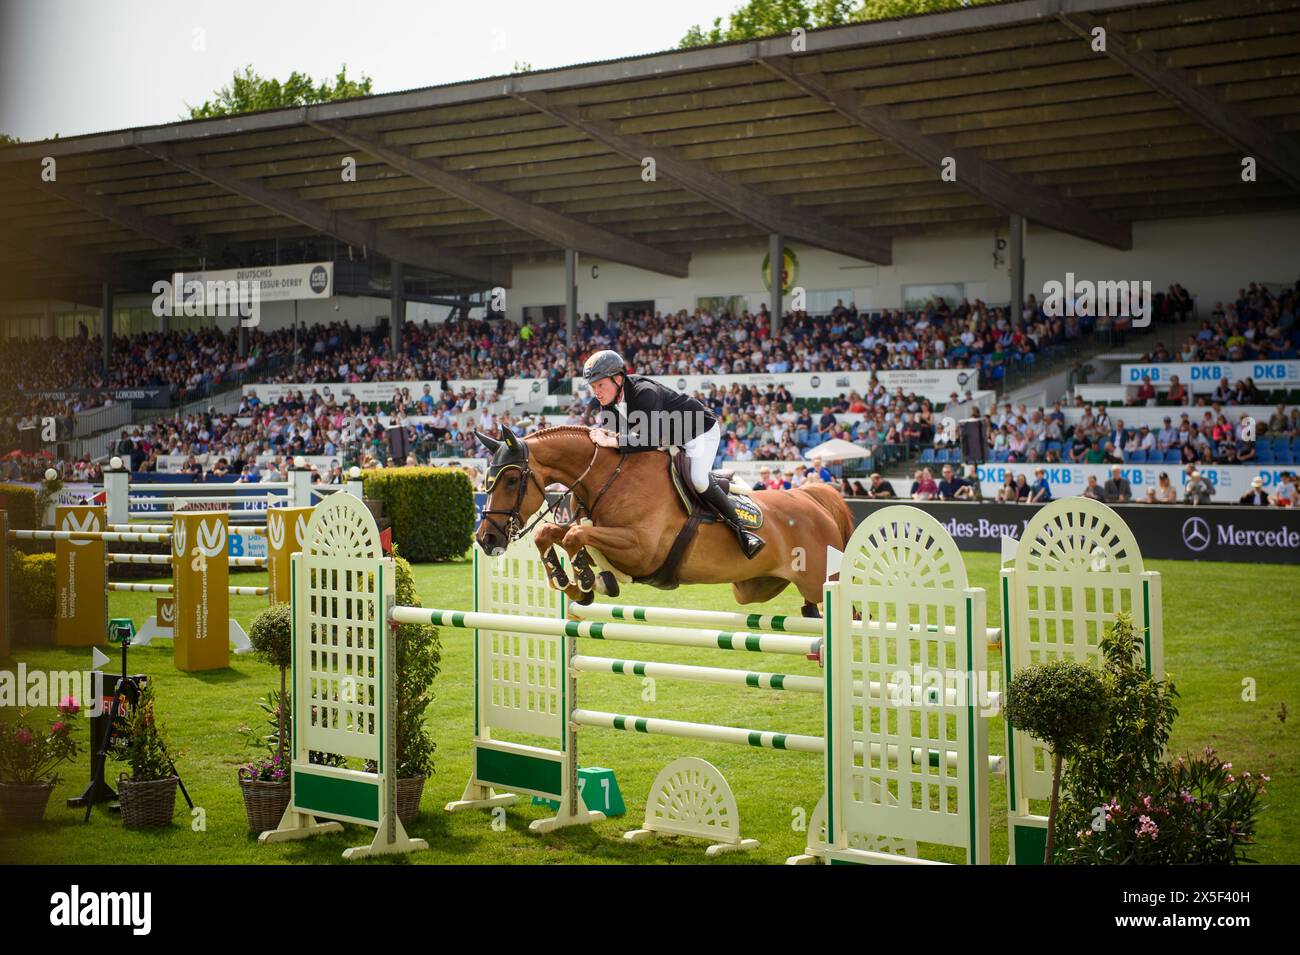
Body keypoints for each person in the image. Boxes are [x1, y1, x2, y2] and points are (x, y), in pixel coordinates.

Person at [583, 349, 763, 557]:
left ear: (617, 378)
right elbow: (622, 440)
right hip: (669, 438)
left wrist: (611, 440)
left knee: (698, 480)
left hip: (699, 432)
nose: (596, 392)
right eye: (593, 386)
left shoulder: (645, 392)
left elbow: (648, 439)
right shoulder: (608, 404)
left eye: (600, 385)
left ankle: (742, 530)